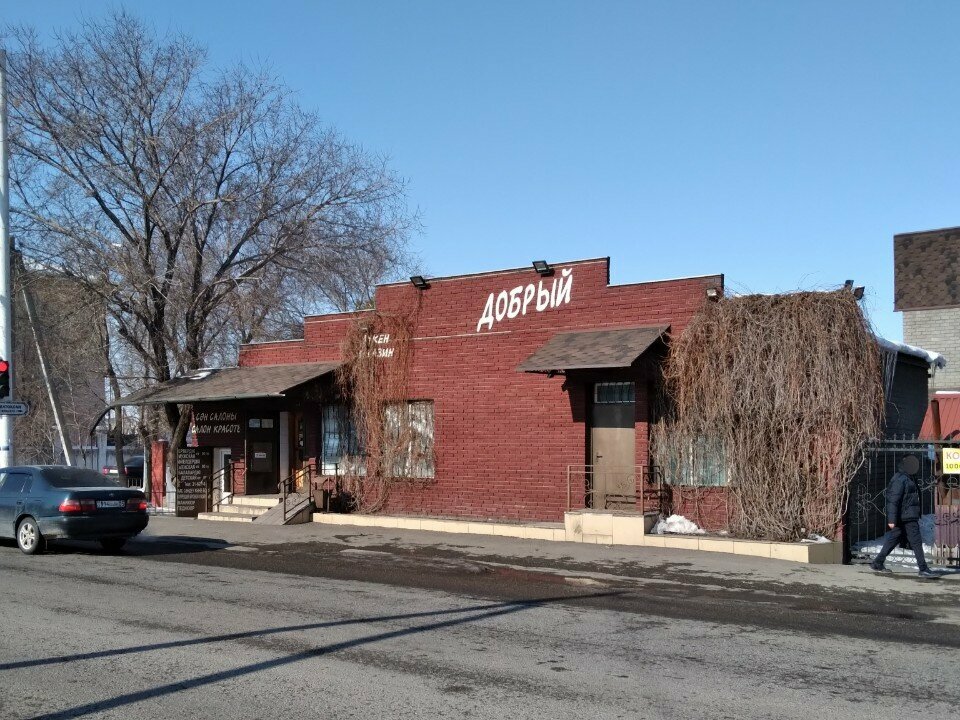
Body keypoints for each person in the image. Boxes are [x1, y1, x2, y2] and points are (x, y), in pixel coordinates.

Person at [870, 455, 938, 577]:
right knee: (916, 541)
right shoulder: (900, 479)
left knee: (893, 539)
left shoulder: (909, 477)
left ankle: (877, 562)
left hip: (907, 515)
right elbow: (893, 500)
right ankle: (923, 568)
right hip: (906, 516)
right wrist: (891, 520)